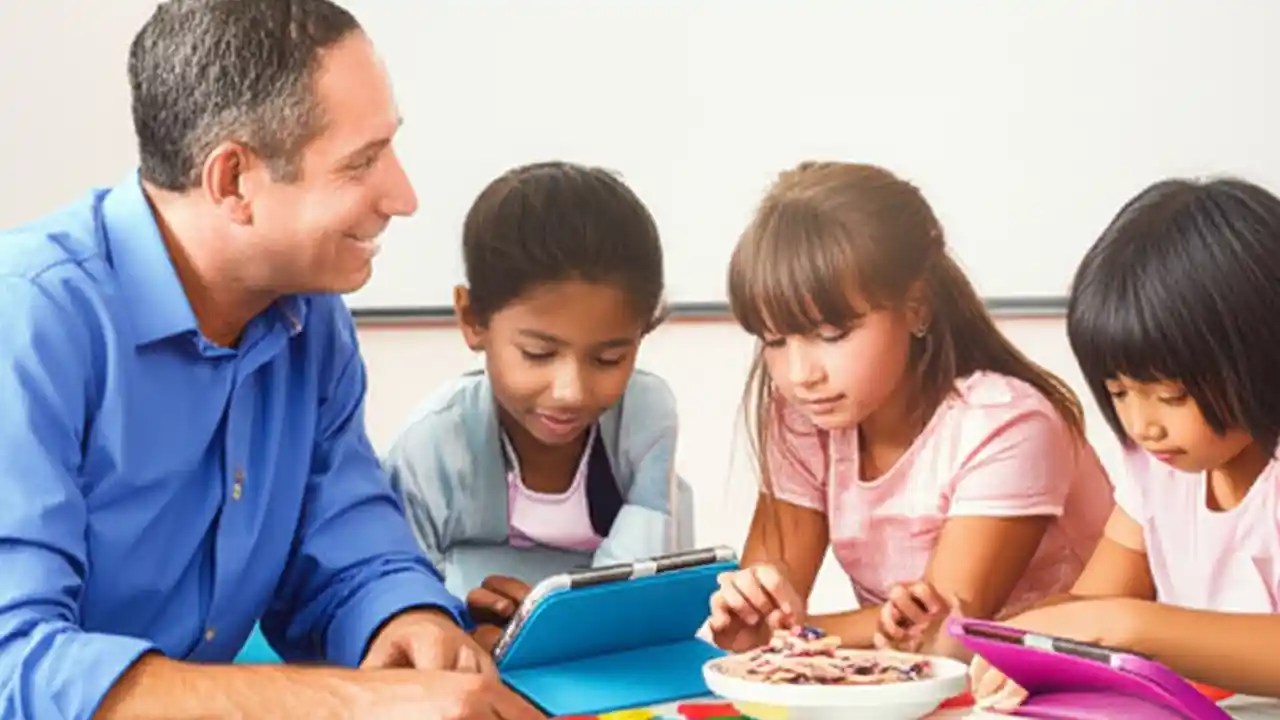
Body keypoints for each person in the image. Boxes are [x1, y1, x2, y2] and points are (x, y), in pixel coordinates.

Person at [0, 1, 541, 717]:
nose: (402, 197)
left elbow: (349, 553)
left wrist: (407, 622)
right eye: (363, 162)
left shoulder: (309, 319)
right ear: (233, 182)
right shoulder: (30, 321)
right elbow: (17, 664)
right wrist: (354, 702)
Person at [705, 161, 1113, 659]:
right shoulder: (802, 418)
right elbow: (768, 612)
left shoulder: (1006, 424)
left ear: (916, 307)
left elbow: (947, 634)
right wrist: (755, 617)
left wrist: (797, 632)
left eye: (831, 335)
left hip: (1055, 685)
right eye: (774, 341)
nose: (799, 374)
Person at [970, 177, 1280, 710]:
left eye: (1172, 395)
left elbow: (1117, 618)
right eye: (1119, 392)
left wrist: (1130, 625)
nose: (1142, 425)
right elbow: (1097, 600)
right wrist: (1037, 636)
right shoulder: (1158, 467)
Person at [384, 162, 688, 650]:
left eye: (610, 357)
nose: (571, 391)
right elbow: (394, 602)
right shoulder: (432, 444)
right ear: (472, 319)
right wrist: (467, 629)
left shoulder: (645, 414)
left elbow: (641, 585)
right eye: (538, 354)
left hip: (611, 653)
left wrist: (549, 625)